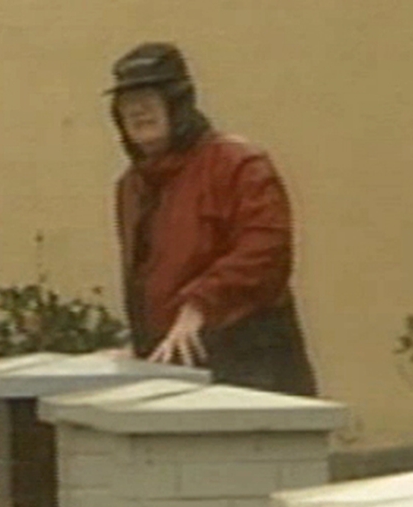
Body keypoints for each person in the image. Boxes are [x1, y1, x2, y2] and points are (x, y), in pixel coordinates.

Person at [106, 42, 318, 396]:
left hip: (252, 365)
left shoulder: (238, 164)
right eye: (127, 103)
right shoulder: (130, 186)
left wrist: (198, 306)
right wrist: (139, 343)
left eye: (149, 97)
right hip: (174, 364)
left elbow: (266, 251)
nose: (138, 111)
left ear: (178, 103)